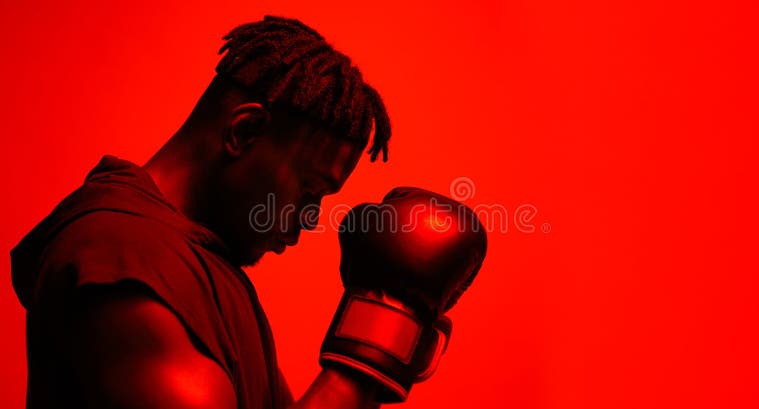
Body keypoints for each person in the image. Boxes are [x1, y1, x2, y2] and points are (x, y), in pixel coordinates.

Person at [10, 15, 486, 409]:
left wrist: (376, 341)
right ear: (244, 131)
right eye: (309, 190)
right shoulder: (121, 256)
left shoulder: (204, 269)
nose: (311, 219)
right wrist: (373, 350)